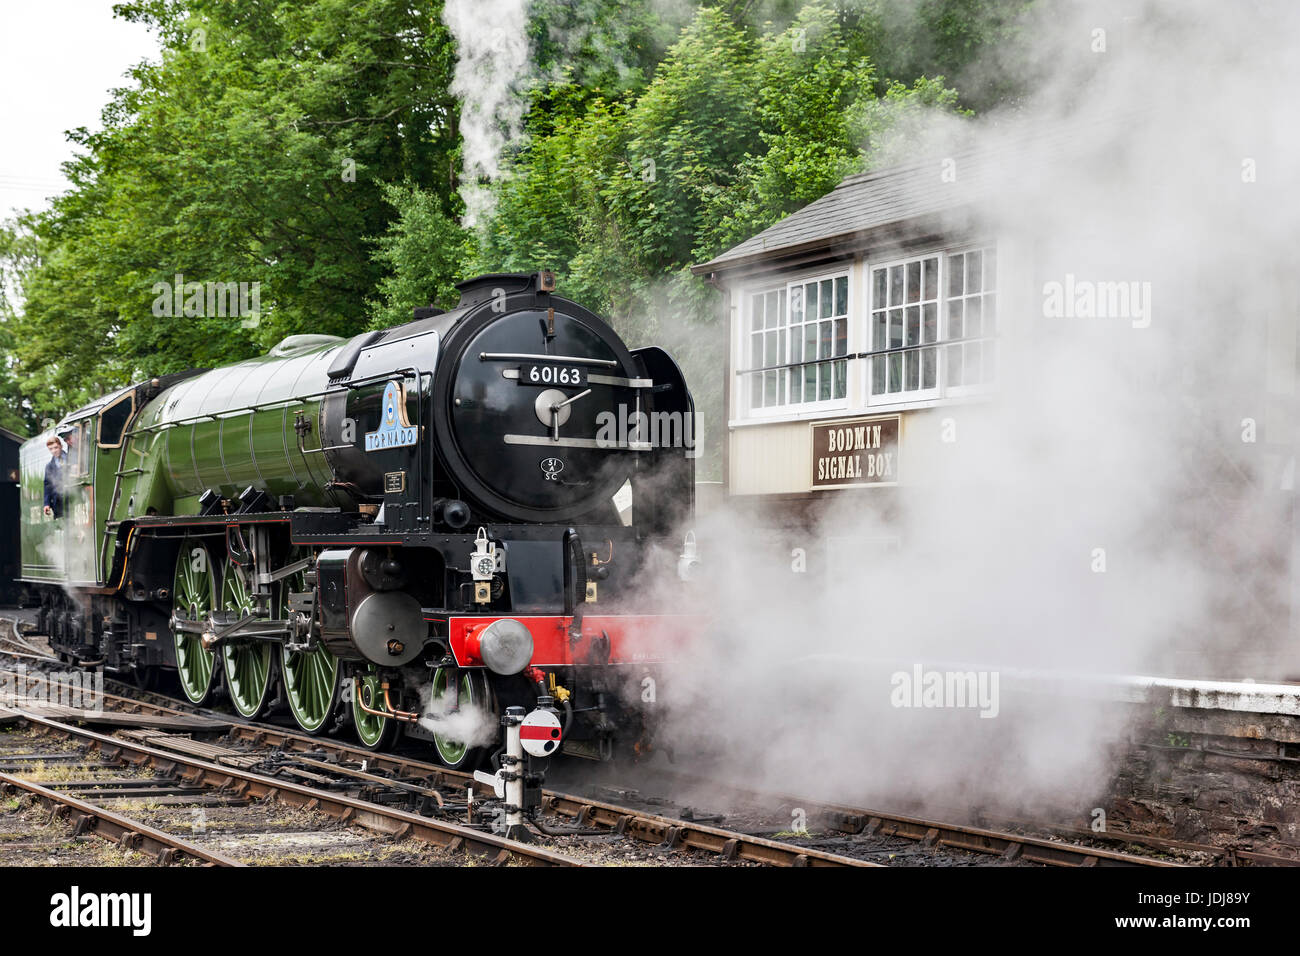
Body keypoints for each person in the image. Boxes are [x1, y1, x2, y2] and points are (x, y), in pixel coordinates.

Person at [42, 436, 66, 519]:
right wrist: (46, 503)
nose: (54, 451)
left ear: (61, 446)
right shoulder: (49, 466)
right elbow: (47, 485)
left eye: (56, 447)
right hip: (58, 503)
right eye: (51, 449)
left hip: (72, 498)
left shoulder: (71, 458)